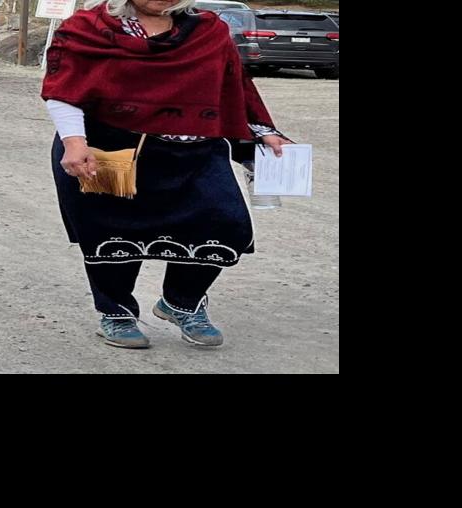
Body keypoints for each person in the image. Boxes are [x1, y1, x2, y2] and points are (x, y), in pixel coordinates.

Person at [42, 0, 289, 348]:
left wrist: (261, 131)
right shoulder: (87, 29)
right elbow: (63, 88)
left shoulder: (208, 31)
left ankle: (181, 302)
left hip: (195, 151)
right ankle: (116, 313)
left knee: (226, 224)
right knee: (112, 233)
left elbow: (233, 86)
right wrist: (73, 142)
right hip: (110, 149)